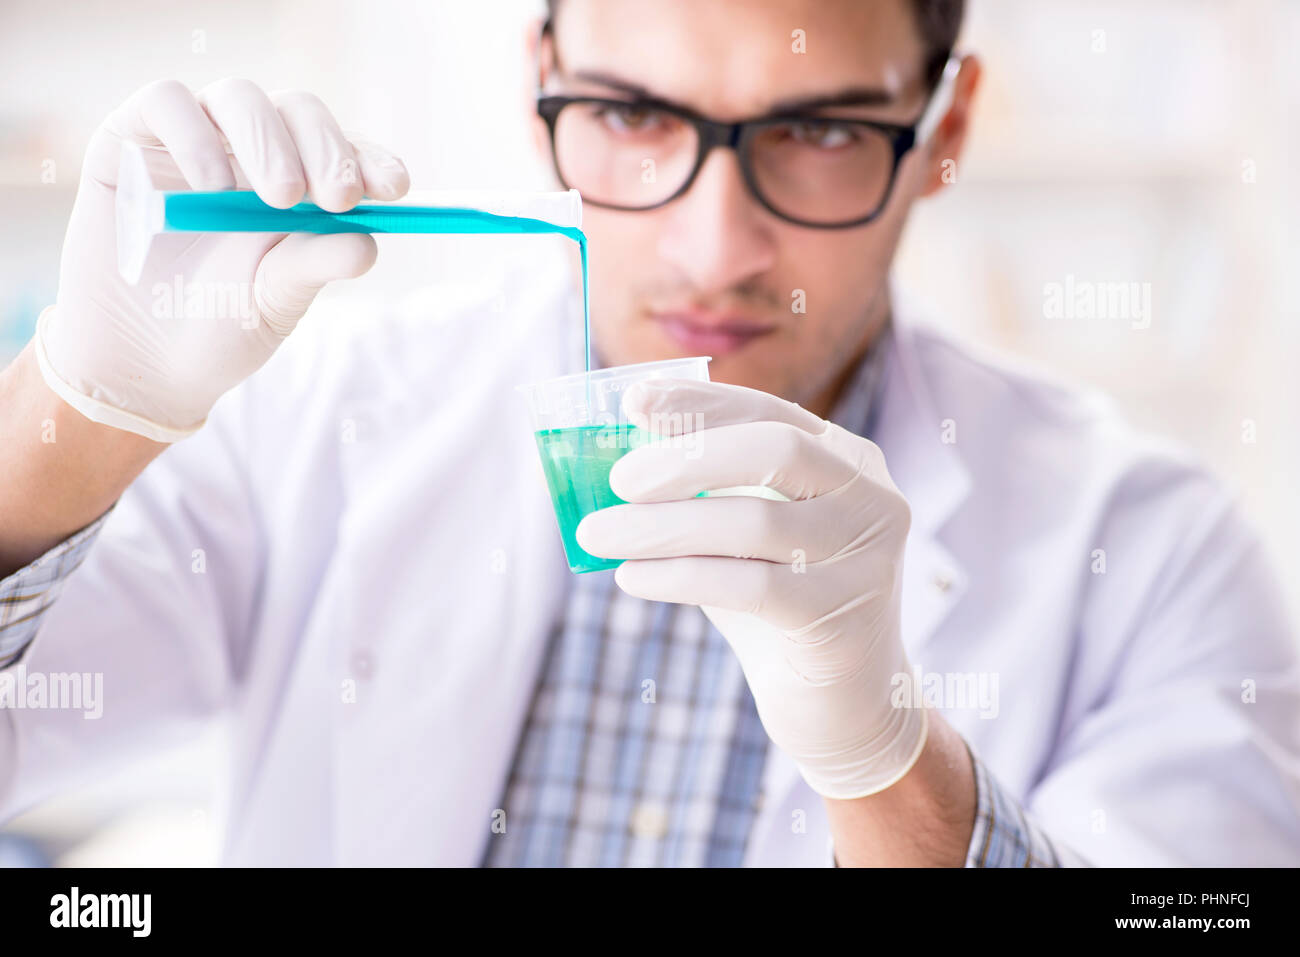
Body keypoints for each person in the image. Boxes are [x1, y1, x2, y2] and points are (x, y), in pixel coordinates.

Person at [1, 0, 1296, 867]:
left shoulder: (1158, 549)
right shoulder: (319, 418)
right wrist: (76, 409)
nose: (714, 249)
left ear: (943, 131)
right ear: (539, 86)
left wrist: (890, 763)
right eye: (631, 116)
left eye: (821, 131)